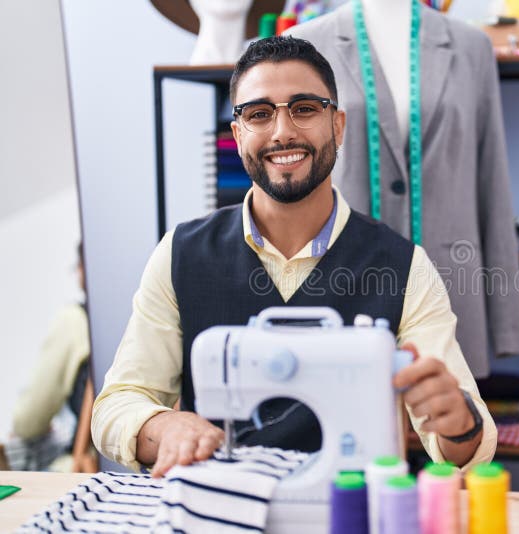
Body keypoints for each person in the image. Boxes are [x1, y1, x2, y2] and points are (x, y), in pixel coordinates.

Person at [91, 36, 497, 477]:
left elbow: (466, 444)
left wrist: (457, 424)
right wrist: (163, 425)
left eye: (304, 108)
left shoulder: (404, 267)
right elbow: (116, 404)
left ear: (338, 125)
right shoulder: (179, 254)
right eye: (259, 114)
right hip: (221, 512)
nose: (283, 131)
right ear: (238, 133)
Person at [5, 244, 96, 472]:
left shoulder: (75, 320)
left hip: (89, 467)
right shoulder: (141, 318)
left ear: (84, 269)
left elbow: (28, 422)